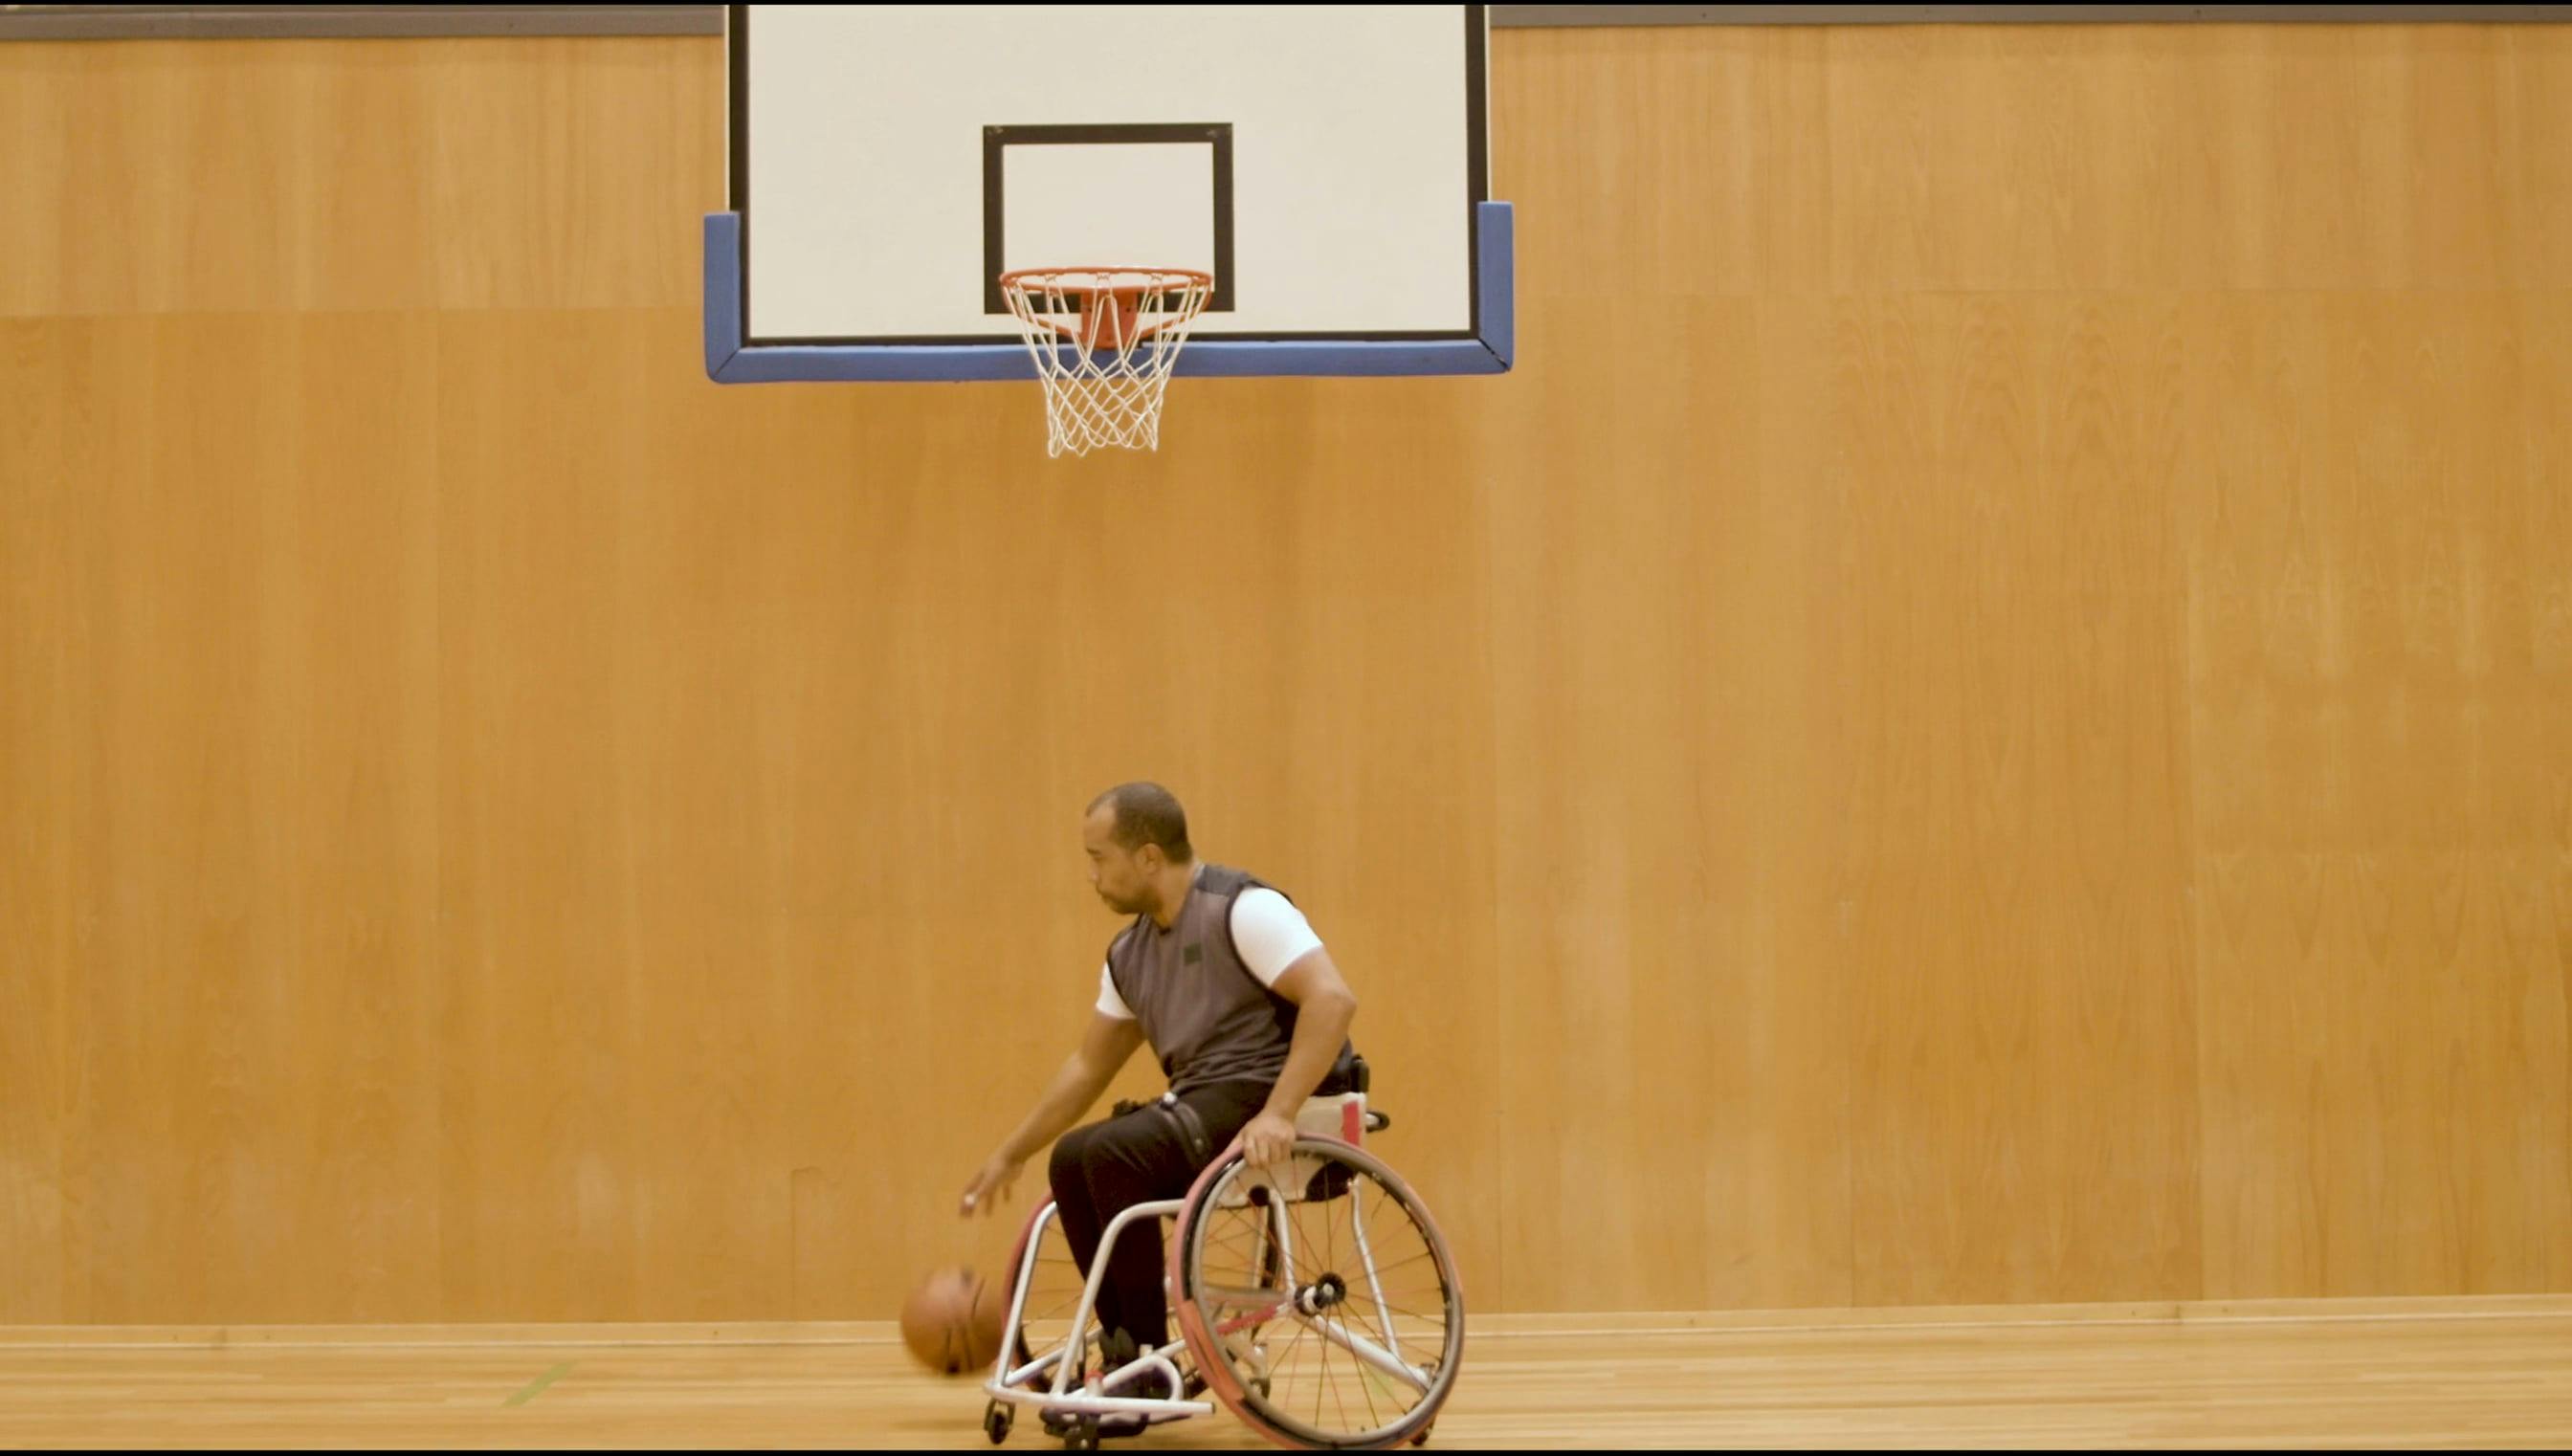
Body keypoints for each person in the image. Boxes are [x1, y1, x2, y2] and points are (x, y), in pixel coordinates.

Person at [959, 782, 1361, 1391]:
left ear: (1147, 857)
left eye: (1098, 858)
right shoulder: (1130, 954)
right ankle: (1127, 1351)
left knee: (1119, 1152)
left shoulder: (1243, 909)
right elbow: (1087, 1068)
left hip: (1275, 1093)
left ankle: (1147, 1358)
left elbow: (1332, 1001)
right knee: (1073, 1156)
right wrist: (1010, 1155)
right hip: (1204, 1104)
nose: (1091, 876)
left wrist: (1280, 1113)